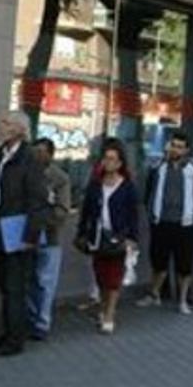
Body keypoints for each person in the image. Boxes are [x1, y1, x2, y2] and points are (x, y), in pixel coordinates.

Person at [0, 111, 51, 357]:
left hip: (19, 234)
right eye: (2, 121)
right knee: (5, 286)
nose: (1, 126)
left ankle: (15, 340)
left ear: (20, 129)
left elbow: (38, 200)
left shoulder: (30, 158)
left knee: (15, 288)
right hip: (0, 232)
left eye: (7, 122)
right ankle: (9, 332)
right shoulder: (0, 155)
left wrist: (29, 237)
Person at [74, 140, 139, 335]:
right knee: (101, 276)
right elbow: (86, 211)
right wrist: (81, 233)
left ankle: (110, 314)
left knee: (114, 278)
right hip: (97, 236)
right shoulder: (95, 185)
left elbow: (133, 214)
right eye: (105, 159)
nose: (108, 163)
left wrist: (131, 238)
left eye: (112, 159)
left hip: (117, 237)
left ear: (120, 163)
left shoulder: (127, 187)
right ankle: (103, 308)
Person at [136, 130, 193, 316]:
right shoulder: (159, 166)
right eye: (173, 145)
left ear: (187, 150)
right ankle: (154, 294)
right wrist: (151, 215)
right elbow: (148, 190)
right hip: (161, 222)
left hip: (185, 224)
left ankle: (182, 300)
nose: (175, 149)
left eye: (180, 147)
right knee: (158, 261)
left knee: (184, 265)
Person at [27, 137, 72, 341]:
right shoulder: (26, 173)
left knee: (45, 281)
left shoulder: (59, 178)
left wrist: (44, 219)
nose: (37, 156)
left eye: (41, 152)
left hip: (49, 236)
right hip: (27, 235)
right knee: (28, 279)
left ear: (50, 154)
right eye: (34, 151)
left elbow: (63, 209)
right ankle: (29, 318)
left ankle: (42, 322)